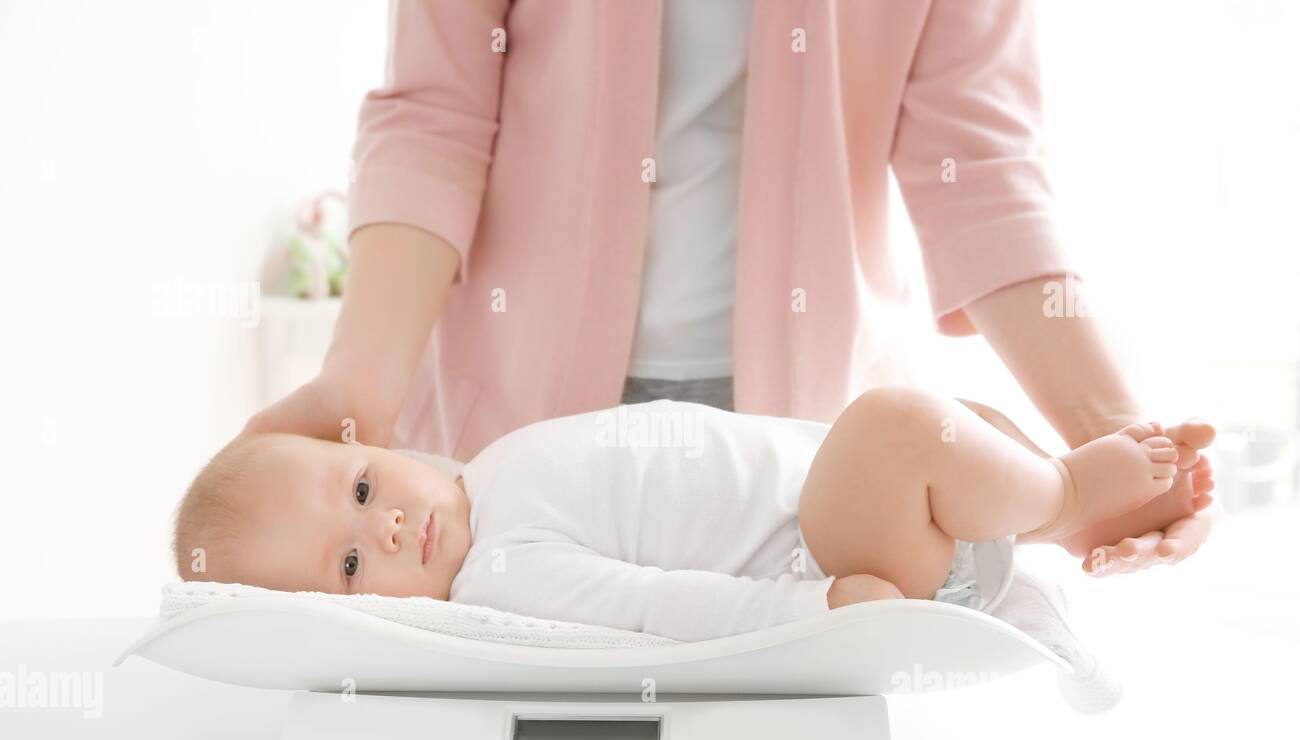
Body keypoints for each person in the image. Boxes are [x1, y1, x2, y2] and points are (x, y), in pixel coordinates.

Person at [243, 0, 1214, 577]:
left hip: (808, 434)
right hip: (513, 421)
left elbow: (979, 165)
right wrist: (357, 388)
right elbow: (437, 112)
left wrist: (1119, 444)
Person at [182, 388, 1211, 641]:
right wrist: (811, 615)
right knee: (899, 425)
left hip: (858, 507)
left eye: (362, 494)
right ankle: (1069, 492)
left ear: (372, 443)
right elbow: (656, 607)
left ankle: (1054, 516)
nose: (389, 531)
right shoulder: (500, 567)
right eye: (353, 567)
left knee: (948, 418)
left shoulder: (481, 469)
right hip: (843, 557)